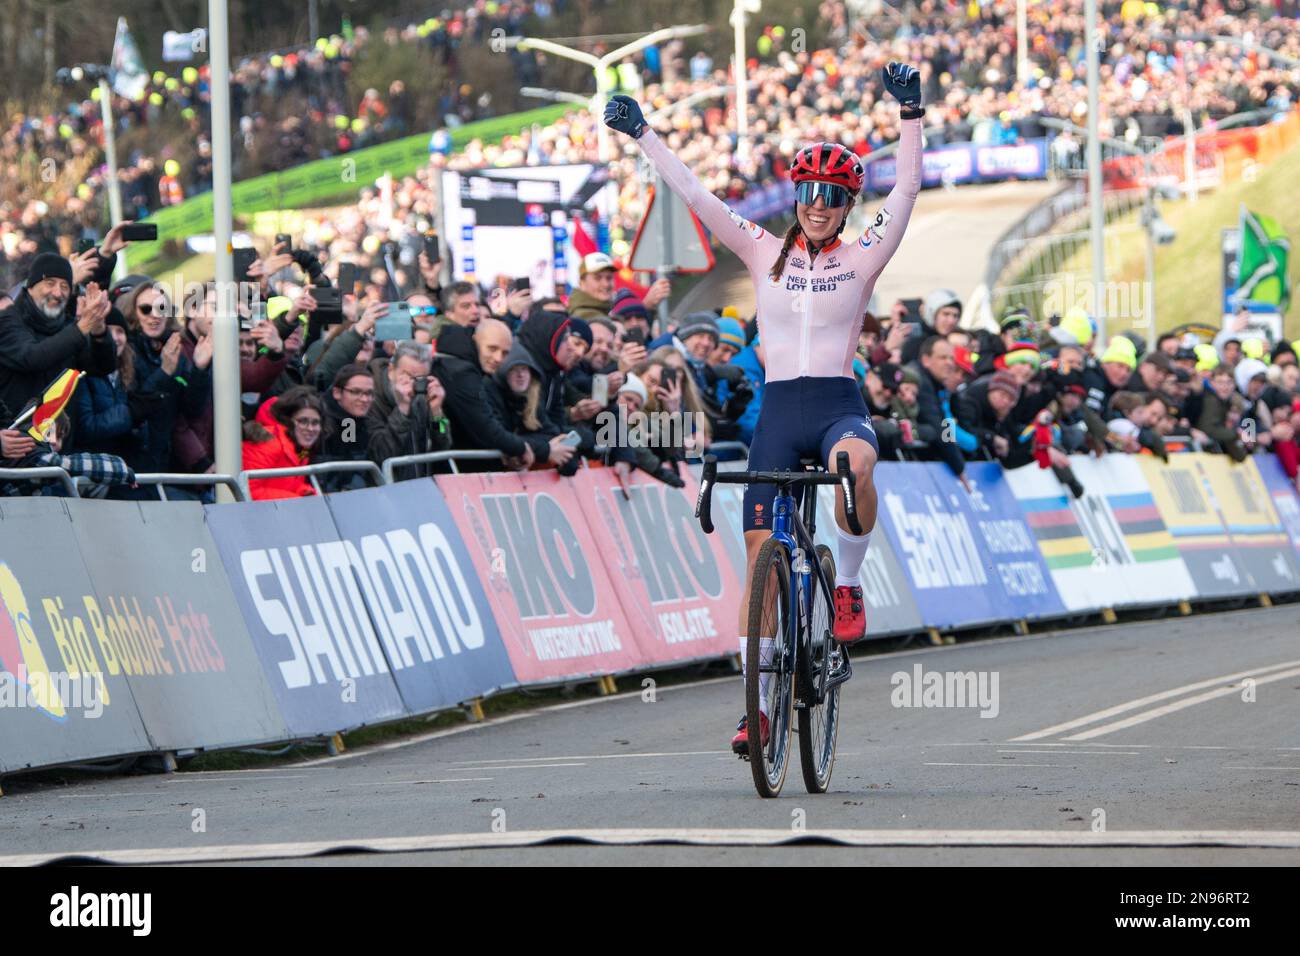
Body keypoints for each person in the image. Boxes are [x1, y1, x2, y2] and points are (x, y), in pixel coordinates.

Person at [606, 59, 924, 754]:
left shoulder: (865, 255)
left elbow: (908, 189)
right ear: (797, 196)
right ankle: (756, 709)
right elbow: (695, 193)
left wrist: (910, 118)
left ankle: (848, 586)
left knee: (857, 466)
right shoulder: (760, 250)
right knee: (760, 573)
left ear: (846, 204)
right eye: (809, 191)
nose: (817, 203)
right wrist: (644, 136)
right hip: (778, 416)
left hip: (837, 403)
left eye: (832, 195)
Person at [0, 254, 116, 426]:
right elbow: (32, 357)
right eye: (50, 283)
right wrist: (83, 326)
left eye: (65, 286)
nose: (57, 293)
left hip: (60, 440)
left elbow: (101, 367)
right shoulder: (8, 319)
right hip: (17, 440)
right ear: (31, 286)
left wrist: (99, 329)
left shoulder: (68, 326)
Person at [242, 386, 325, 500]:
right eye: (303, 421)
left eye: (315, 423)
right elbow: (247, 491)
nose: (310, 428)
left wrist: (307, 492)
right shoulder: (269, 444)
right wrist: (296, 499)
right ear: (288, 421)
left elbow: (290, 485)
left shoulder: (299, 447)